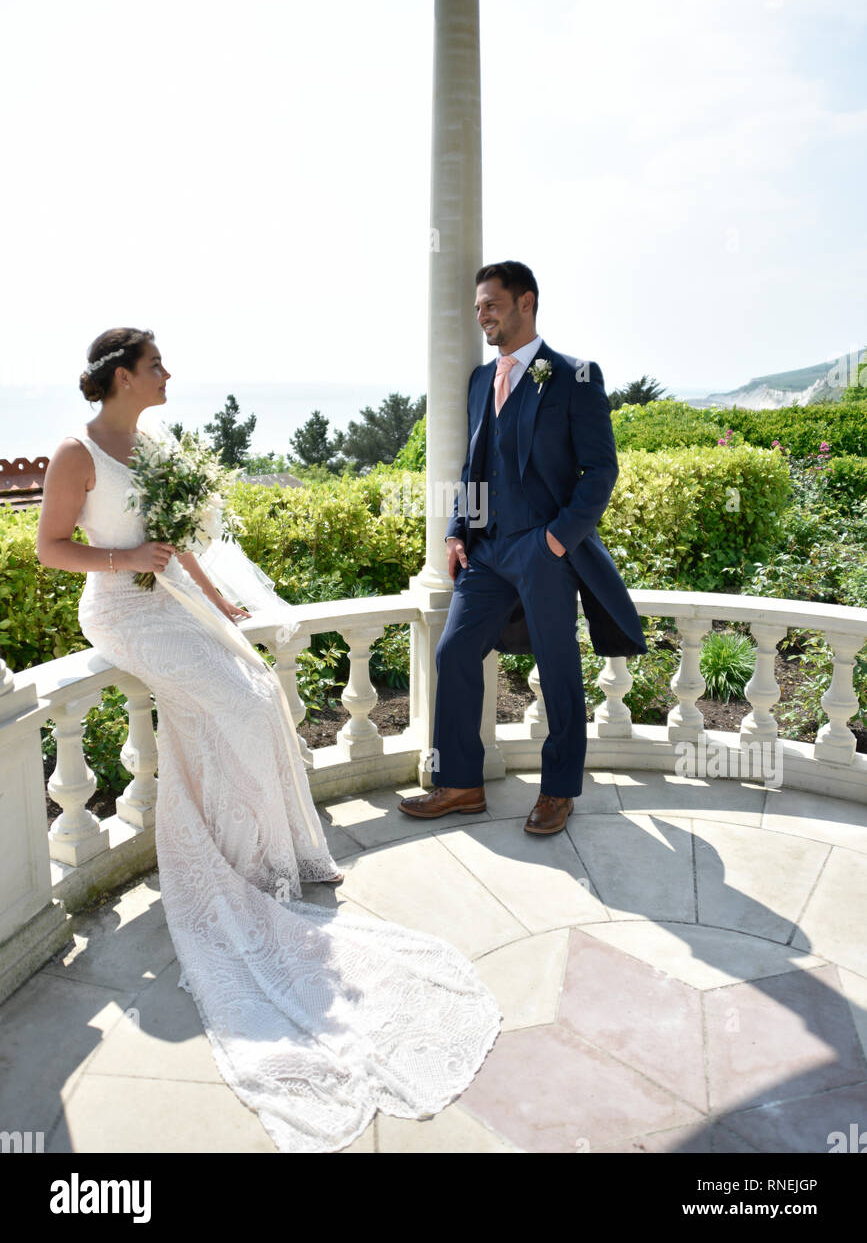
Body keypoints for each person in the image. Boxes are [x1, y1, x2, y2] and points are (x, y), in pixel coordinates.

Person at [36, 327, 501, 1153]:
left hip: (174, 596)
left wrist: (219, 599)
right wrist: (125, 559)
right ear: (120, 376)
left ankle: (273, 851)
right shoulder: (78, 452)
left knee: (256, 691)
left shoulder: (154, 441)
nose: (168, 374)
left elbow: (178, 544)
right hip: (118, 609)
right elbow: (51, 551)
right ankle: (237, 864)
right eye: (156, 366)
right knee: (241, 710)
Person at [400, 262, 648, 835]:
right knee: (454, 654)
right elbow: (474, 463)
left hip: (545, 550)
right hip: (486, 551)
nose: (482, 315)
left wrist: (557, 539)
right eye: (478, 307)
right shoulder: (479, 381)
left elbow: (600, 469)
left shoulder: (575, 376)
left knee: (557, 668)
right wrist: (459, 528)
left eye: (491, 304)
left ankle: (558, 790)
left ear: (525, 303)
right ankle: (460, 783)